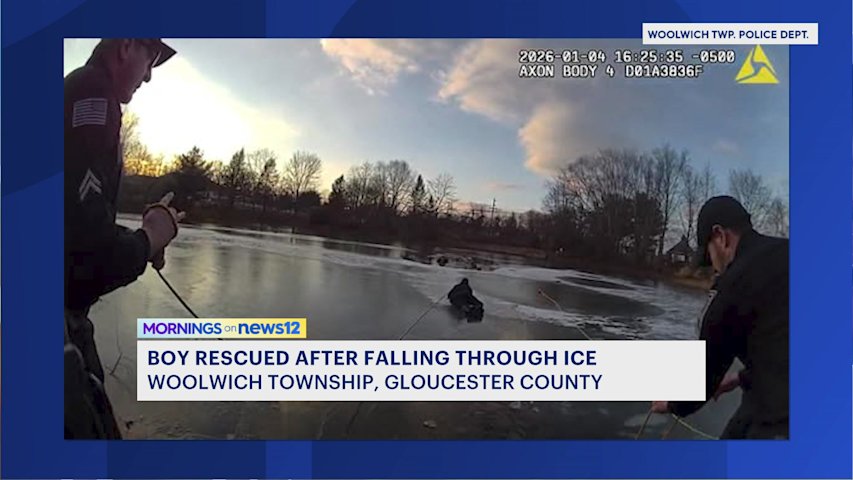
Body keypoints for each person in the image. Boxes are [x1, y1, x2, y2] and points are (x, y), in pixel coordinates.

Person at [64, 39, 181, 439]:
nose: (148, 76)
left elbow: (73, 226)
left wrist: (143, 239)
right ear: (127, 45)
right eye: (150, 60)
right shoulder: (96, 94)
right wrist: (151, 238)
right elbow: (85, 256)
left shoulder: (76, 89)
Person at [651, 196, 789, 439]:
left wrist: (671, 404)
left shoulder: (733, 284)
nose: (714, 267)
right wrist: (739, 377)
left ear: (720, 236)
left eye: (709, 255)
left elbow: (703, 378)